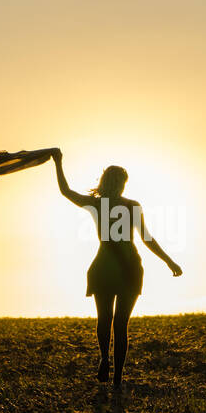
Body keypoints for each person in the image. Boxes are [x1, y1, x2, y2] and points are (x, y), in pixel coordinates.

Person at [50, 148, 181, 387]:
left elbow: (65, 191)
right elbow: (146, 238)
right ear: (120, 183)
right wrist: (168, 260)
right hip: (129, 267)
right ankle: (117, 377)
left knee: (106, 319)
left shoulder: (95, 204)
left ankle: (105, 361)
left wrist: (58, 163)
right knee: (120, 324)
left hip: (105, 267)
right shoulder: (132, 205)